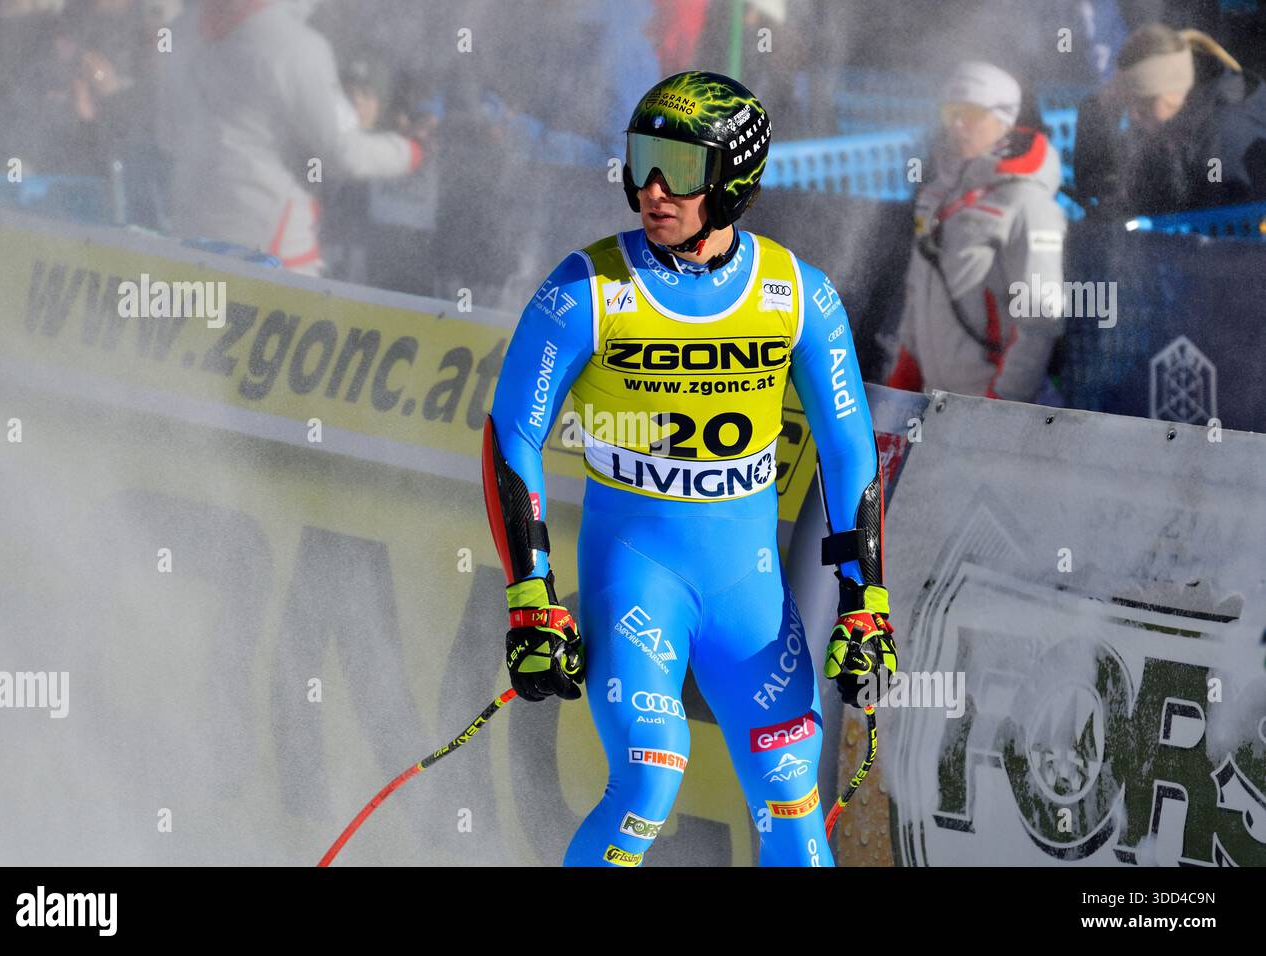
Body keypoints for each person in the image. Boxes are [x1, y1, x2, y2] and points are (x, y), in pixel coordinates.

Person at [481, 71, 897, 867]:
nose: (654, 189)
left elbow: (848, 450)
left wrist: (865, 603)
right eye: (642, 159)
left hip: (748, 594)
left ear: (733, 183)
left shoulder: (797, 293)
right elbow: (511, 435)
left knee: (790, 797)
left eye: (681, 165)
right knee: (647, 776)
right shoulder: (586, 289)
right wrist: (529, 594)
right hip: (638, 582)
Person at [155, 0, 425, 276]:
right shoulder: (297, 47)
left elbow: (166, 133)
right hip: (270, 250)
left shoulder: (182, 30)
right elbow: (343, 153)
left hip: (190, 236)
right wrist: (412, 151)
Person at [885, 61, 1067, 403]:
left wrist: (999, 402)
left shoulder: (1027, 201)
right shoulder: (935, 196)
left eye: (969, 114)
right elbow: (916, 299)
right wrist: (902, 382)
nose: (956, 125)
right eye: (950, 112)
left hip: (998, 409)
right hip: (936, 406)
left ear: (1005, 121)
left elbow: (1039, 319)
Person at [1074, 23, 1266, 217]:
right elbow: (1097, 191)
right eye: (1126, 103)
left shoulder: (1223, 137)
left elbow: (1224, 224)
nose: (1133, 115)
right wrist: (1099, 109)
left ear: (1174, 92)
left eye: (1143, 103)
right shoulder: (1167, 122)